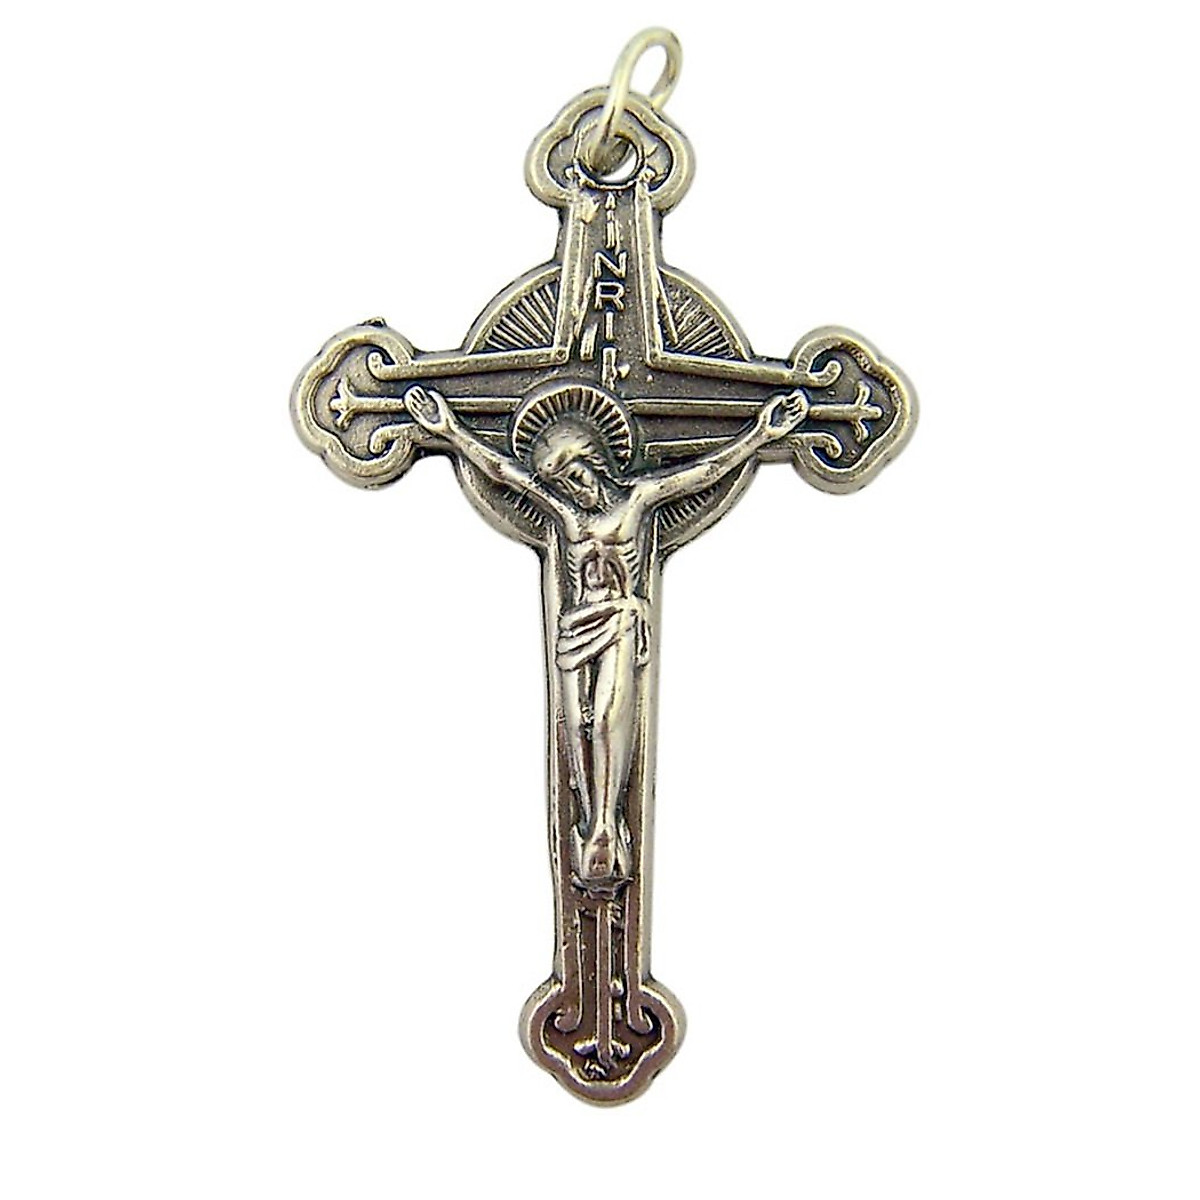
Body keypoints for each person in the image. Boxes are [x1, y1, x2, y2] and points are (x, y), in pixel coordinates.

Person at [404, 382, 808, 886]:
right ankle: (589, 823)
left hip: (619, 620)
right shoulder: (566, 514)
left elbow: (702, 473)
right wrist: (450, 431)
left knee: (605, 721)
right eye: (562, 483)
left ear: (593, 461)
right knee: (574, 724)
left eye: (574, 475)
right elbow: (504, 471)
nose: (573, 489)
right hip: (576, 627)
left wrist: (760, 435)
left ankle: (605, 826)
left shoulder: (637, 500)